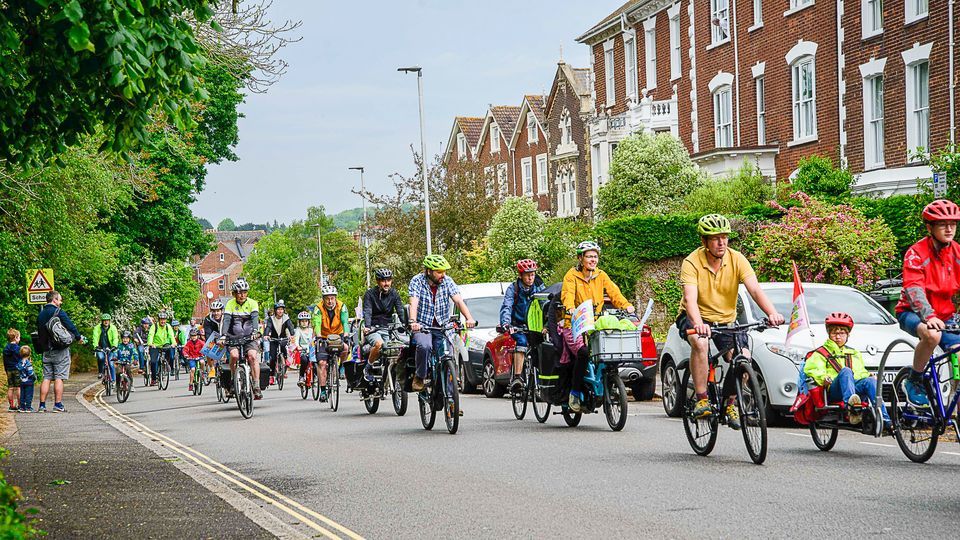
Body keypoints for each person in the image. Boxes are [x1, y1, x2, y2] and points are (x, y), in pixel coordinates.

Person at [679, 214, 784, 430]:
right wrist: (698, 323)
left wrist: (773, 313)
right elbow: (690, 299)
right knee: (700, 343)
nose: (721, 242)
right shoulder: (691, 262)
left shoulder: (737, 259)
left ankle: (730, 403)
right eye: (716, 238)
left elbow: (754, 289)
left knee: (742, 358)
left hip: (726, 320)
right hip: (695, 316)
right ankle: (701, 399)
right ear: (704, 241)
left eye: (725, 237)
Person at [895, 199, 960, 406]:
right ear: (930, 227)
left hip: (946, 315)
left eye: (953, 223)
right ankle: (914, 380)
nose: (949, 228)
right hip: (912, 312)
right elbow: (915, 289)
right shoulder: (916, 253)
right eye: (943, 224)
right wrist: (929, 316)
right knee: (932, 335)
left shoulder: (957, 252)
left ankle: (953, 408)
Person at [560, 241, 634, 412]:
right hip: (574, 323)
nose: (593, 260)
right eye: (589, 256)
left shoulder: (601, 275)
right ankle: (575, 393)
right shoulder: (571, 276)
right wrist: (570, 308)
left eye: (595, 257)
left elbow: (614, 293)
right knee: (583, 353)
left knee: (608, 351)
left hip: (595, 323)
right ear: (580, 258)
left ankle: (607, 380)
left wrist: (626, 305)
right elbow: (568, 295)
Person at [804, 312, 890, 428]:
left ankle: (885, 419)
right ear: (829, 333)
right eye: (834, 333)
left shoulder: (854, 353)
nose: (838, 337)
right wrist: (823, 378)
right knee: (846, 371)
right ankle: (850, 409)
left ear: (848, 335)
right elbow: (813, 369)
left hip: (854, 387)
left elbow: (859, 372)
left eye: (842, 333)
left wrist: (868, 376)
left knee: (870, 381)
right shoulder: (820, 353)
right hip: (834, 390)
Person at [408, 255, 477, 392]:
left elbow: (458, 301)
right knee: (424, 346)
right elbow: (413, 302)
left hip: (443, 327)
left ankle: (452, 403)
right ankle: (420, 376)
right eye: (439, 271)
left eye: (444, 271)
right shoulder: (417, 281)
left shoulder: (447, 281)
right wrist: (413, 321)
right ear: (429, 271)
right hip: (424, 325)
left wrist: (469, 318)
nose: (443, 275)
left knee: (448, 358)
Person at [500, 259, 546, 392]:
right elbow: (507, 306)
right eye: (527, 275)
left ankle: (543, 377)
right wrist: (505, 323)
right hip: (517, 324)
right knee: (521, 342)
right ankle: (517, 378)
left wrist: (547, 323)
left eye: (533, 274)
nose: (531, 278)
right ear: (521, 275)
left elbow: (545, 303)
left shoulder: (539, 285)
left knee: (542, 345)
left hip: (534, 324)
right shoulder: (513, 288)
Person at [37, 290, 85, 412]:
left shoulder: (41, 314)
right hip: (60, 350)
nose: (61, 301)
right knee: (59, 377)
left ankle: (42, 405)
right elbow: (70, 326)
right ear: (54, 300)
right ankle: (57, 405)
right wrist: (78, 337)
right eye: (59, 299)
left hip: (46, 350)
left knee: (46, 377)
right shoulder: (58, 312)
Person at [361, 268, 407, 382]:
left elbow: (400, 310)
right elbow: (367, 311)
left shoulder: (394, 294)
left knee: (395, 349)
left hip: (388, 328)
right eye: (383, 280)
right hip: (373, 329)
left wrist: (407, 324)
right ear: (377, 281)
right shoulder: (370, 294)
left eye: (388, 280)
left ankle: (390, 376)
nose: (386, 283)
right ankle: (368, 367)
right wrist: (367, 326)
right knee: (379, 344)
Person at [223, 278, 262, 400]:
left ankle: (256, 385)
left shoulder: (252, 303)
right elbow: (227, 320)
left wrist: (256, 331)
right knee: (234, 356)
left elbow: (255, 318)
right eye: (239, 292)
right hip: (233, 337)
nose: (242, 295)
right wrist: (224, 335)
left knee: (252, 356)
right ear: (234, 294)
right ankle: (234, 379)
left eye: (244, 292)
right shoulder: (230, 304)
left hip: (250, 337)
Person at [312, 285, 350, 400]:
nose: (330, 301)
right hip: (323, 336)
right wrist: (318, 336)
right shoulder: (318, 308)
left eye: (332, 298)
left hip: (338, 335)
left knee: (346, 348)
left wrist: (347, 335)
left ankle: (341, 366)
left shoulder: (342, 306)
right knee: (322, 363)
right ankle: (323, 391)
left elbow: (345, 322)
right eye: (327, 298)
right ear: (323, 299)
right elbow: (317, 323)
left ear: (335, 298)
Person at [265, 300, 295, 386]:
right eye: (278, 309)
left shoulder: (286, 318)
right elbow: (268, 327)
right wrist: (266, 335)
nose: (280, 311)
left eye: (281, 309)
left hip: (283, 338)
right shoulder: (271, 319)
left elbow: (290, 327)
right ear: (275, 310)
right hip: (274, 339)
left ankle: (284, 370)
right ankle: (271, 376)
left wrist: (292, 335)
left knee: (284, 353)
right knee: (273, 357)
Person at [147, 311, 177, 386]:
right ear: (159, 320)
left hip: (165, 344)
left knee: (171, 353)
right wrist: (150, 343)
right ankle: (154, 379)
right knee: (153, 362)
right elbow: (150, 335)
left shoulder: (168, 326)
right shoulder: (154, 326)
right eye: (161, 319)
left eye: (164, 319)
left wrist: (173, 343)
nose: (163, 321)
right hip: (155, 345)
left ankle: (168, 365)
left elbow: (171, 335)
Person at [92, 313, 119, 382]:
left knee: (111, 363)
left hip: (110, 348)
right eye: (104, 320)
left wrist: (114, 346)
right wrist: (96, 346)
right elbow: (95, 337)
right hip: (100, 347)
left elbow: (115, 338)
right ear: (102, 321)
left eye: (107, 320)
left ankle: (113, 380)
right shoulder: (97, 328)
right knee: (101, 358)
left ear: (109, 321)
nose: (106, 322)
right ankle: (101, 372)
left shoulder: (113, 328)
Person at [203, 300, 225, 379]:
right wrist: (211, 341)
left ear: (222, 311)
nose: (216, 313)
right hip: (213, 335)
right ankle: (212, 367)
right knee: (207, 348)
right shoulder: (208, 319)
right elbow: (208, 332)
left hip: (225, 336)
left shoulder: (226, 317)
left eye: (218, 311)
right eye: (214, 311)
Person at [294, 311, 317, 387]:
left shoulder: (311, 330)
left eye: (306, 321)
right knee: (304, 360)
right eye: (302, 321)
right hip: (303, 350)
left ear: (308, 322)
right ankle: (301, 376)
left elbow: (314, 339)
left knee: (316, 362)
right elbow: (296, 340)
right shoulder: (298, 330)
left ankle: (315, 376)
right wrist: (298, 346)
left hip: (311, 350)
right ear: (299, 322)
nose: (304, 323)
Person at [182, 328, 205, 393]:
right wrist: (186, 355)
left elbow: (205, 347)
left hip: (199, 356)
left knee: (202, 362)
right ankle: (191, 384)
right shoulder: (189, 343)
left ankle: (202, 372)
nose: (193, 337)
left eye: (195, 335)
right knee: (192, 370)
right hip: (191, 358)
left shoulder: (200, 342)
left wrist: (205, 353)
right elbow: (185, 350)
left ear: (197, 336)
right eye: (192, 336)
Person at [5, 329, 21, 412]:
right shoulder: (18, 349)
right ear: (15, 338)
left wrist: (6, 370)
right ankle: (19, 405)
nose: (19, 339)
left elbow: (4, 360)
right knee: (18, 387)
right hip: (17, 370)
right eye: (19, 337)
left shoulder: (6, 348)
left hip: (9, 370)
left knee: (10, 388)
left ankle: (11, 406)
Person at [17, 345, 36, 413]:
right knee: (29, 394)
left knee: (22, 394)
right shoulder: (28, 363)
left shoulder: (19, 363)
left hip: (22, 381)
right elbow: (30, 373)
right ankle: (28, 407)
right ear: (29, 354)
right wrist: (34, 377)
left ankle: (22, 407)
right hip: (29, 381)